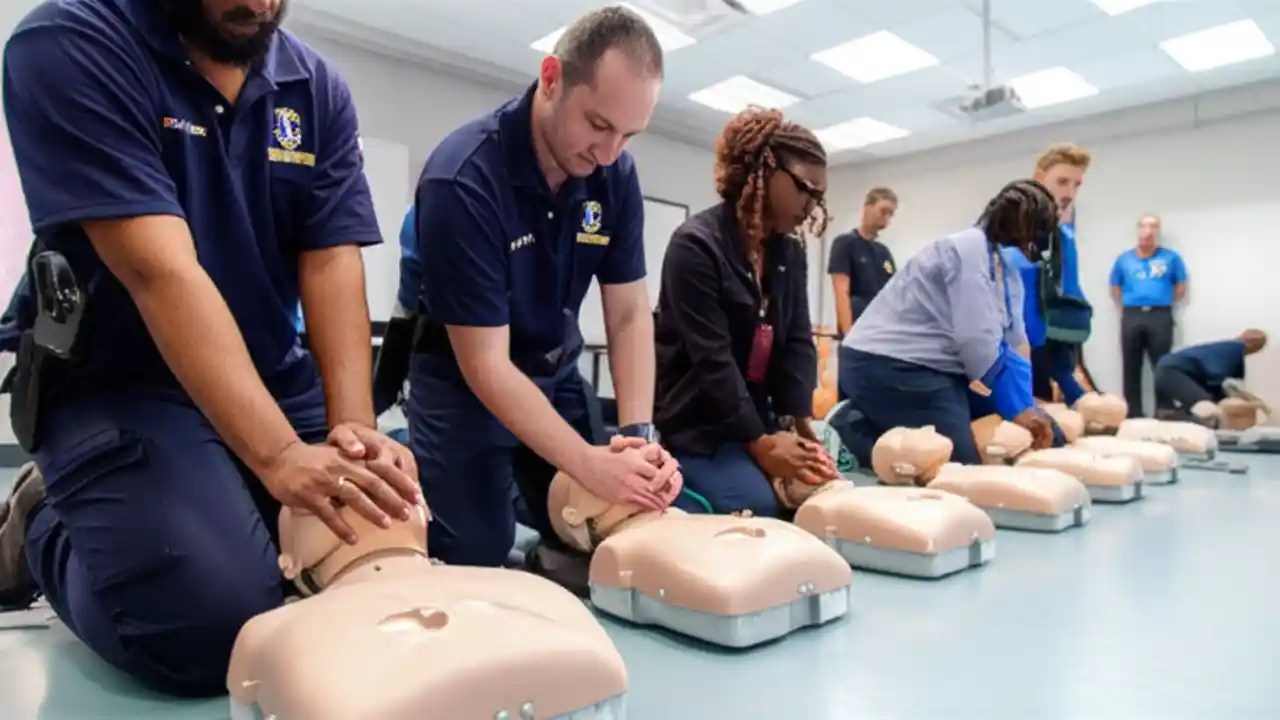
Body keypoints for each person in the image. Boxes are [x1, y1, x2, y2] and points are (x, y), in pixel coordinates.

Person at [0, 0, 421, 698]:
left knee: (402, 530)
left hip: (267, 373)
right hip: (119, 381)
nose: (257, 4)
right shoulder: (72, 42)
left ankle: (209, 498)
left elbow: (331, 263)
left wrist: (354, 432)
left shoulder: (316, 90)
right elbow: (159, 271)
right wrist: (280, 457)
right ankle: (46, 521)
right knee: (211, 627)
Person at [406, 7, 680, 568]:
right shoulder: (462, 178)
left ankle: (529, 492)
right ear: (551, 79)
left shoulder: (614, 175)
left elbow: (628, 313)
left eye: (629, 135)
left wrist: (636, 438)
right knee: (475, 553)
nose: (609, 153)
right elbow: (485, 364)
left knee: (620, 521)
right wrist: (585, 460)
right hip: (465, 383)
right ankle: (435, 465)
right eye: (599, 125)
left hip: (554, 374)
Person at [653, 107, 838, 518]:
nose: (811, 206)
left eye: (819, 197)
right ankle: (672, 484)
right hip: (700, 423)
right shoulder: (696, 247)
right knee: (757, 508)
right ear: (764, 170)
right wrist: (761, 444)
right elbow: (712, 362)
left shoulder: (789, 252)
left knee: (821, 497)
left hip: (758, 415)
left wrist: (800, 424)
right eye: (805, 189)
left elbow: (796, 342)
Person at [835, 180, 1059, 466]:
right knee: (955, 463)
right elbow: (977, 343)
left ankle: (886, 418)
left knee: (1047, 431)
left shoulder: (1006, 268)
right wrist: (1015, 408)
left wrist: (1026, 406)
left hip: (938, 367)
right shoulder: (968, 250)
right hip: (886, 363)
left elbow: (1016, 341)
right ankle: (850, 427)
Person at [1002, 144, 1092, 406]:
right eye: (1062, 182)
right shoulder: (1013, 229)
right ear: (1040, 178)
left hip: (1056, 346)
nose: (1070, 193)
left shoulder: (1065, 235)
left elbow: (1067, 296)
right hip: (1017, 349)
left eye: (1077, 185)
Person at [1109, 213, 1188, 417]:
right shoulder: (1124, 259)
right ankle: (1133, 414)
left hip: (1160, 315)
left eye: (1153, 226)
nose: (1148, 231)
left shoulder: (1170, 258)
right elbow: (1115, 287)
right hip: (1132, 315)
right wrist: (1131, 303)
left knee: (1163, 365)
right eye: (1144, 226)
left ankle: (1164, 412)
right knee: (1131, 365)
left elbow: (1180, 287)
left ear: (1158, 231)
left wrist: (1161, 301)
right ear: (1138, 230)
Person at [827, 187, 897, 338]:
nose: (886, 218)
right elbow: (841, 291)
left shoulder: (884, 253)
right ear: (867, 207)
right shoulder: (845, 243)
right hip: (857, 330)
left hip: (881, 332)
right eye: (883, 211)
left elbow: (893, 294)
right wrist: (848, 334)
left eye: (891, 214)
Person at [1154, 331, 1266, 420]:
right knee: (1208, 409)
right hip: (1173, 371)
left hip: (1167, 369)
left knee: (1205, 404)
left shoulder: (1224, 348)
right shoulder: (1235, 350)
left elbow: (1217, 383)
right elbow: (1218, 378)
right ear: (1256, 347)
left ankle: (1169, 415)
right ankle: (1169, 417)